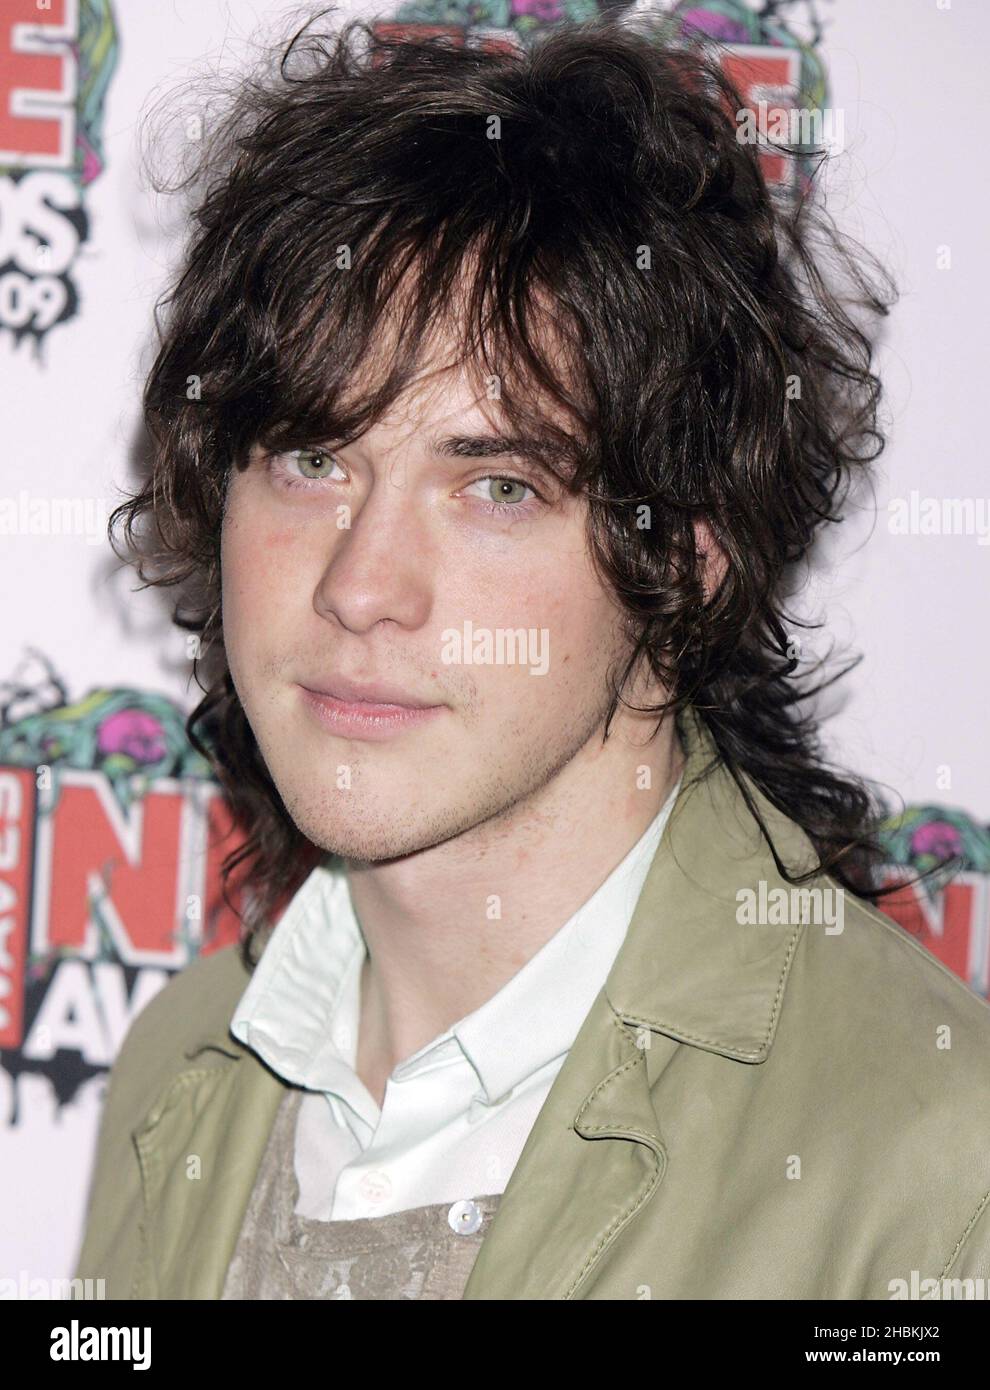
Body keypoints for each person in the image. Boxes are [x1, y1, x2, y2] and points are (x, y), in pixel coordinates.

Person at [73, 10, 990, 1300]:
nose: (359, 587)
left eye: (496, 485)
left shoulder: (939, 1170)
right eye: (314, 458)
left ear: (680, 563)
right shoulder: (181, 1070)